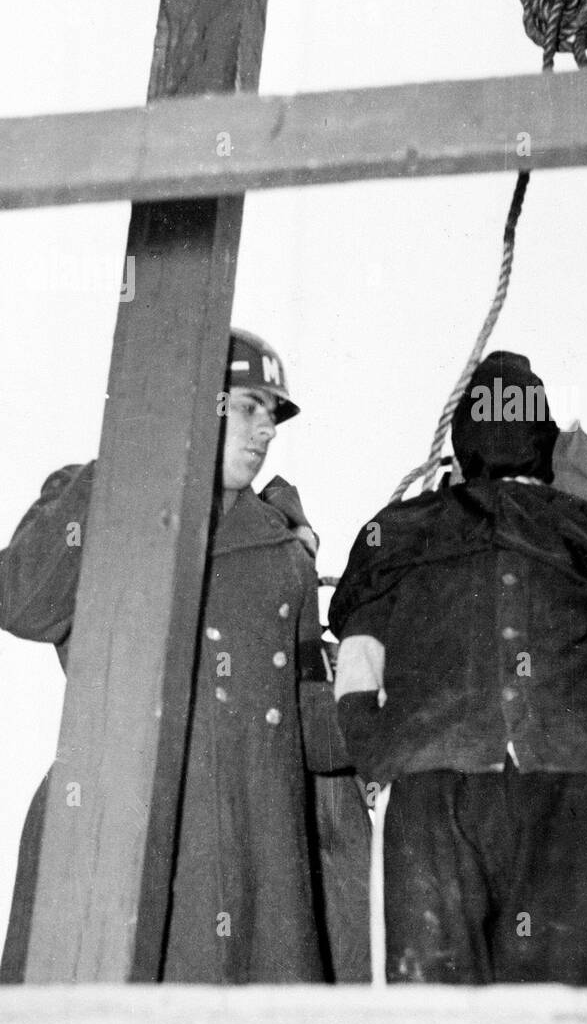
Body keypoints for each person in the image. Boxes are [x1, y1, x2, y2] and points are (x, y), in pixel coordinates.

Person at [0, 329, 370, 983]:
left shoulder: (284, 555)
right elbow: (22, 603)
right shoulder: (105, 502)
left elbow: (313, 726)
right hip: (117, 841)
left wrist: (385, 694)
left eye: (273, 415)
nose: (267, 431)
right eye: (249, 407)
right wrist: (127, 461)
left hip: (260, 861)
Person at [329, 350, 587, 986]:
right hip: (570, 780)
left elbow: (359, 653)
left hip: (428, 779)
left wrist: (378, 755)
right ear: (542, 439)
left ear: (458, 445)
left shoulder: (398, 530)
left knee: (426, 1018)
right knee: (558, 1018)